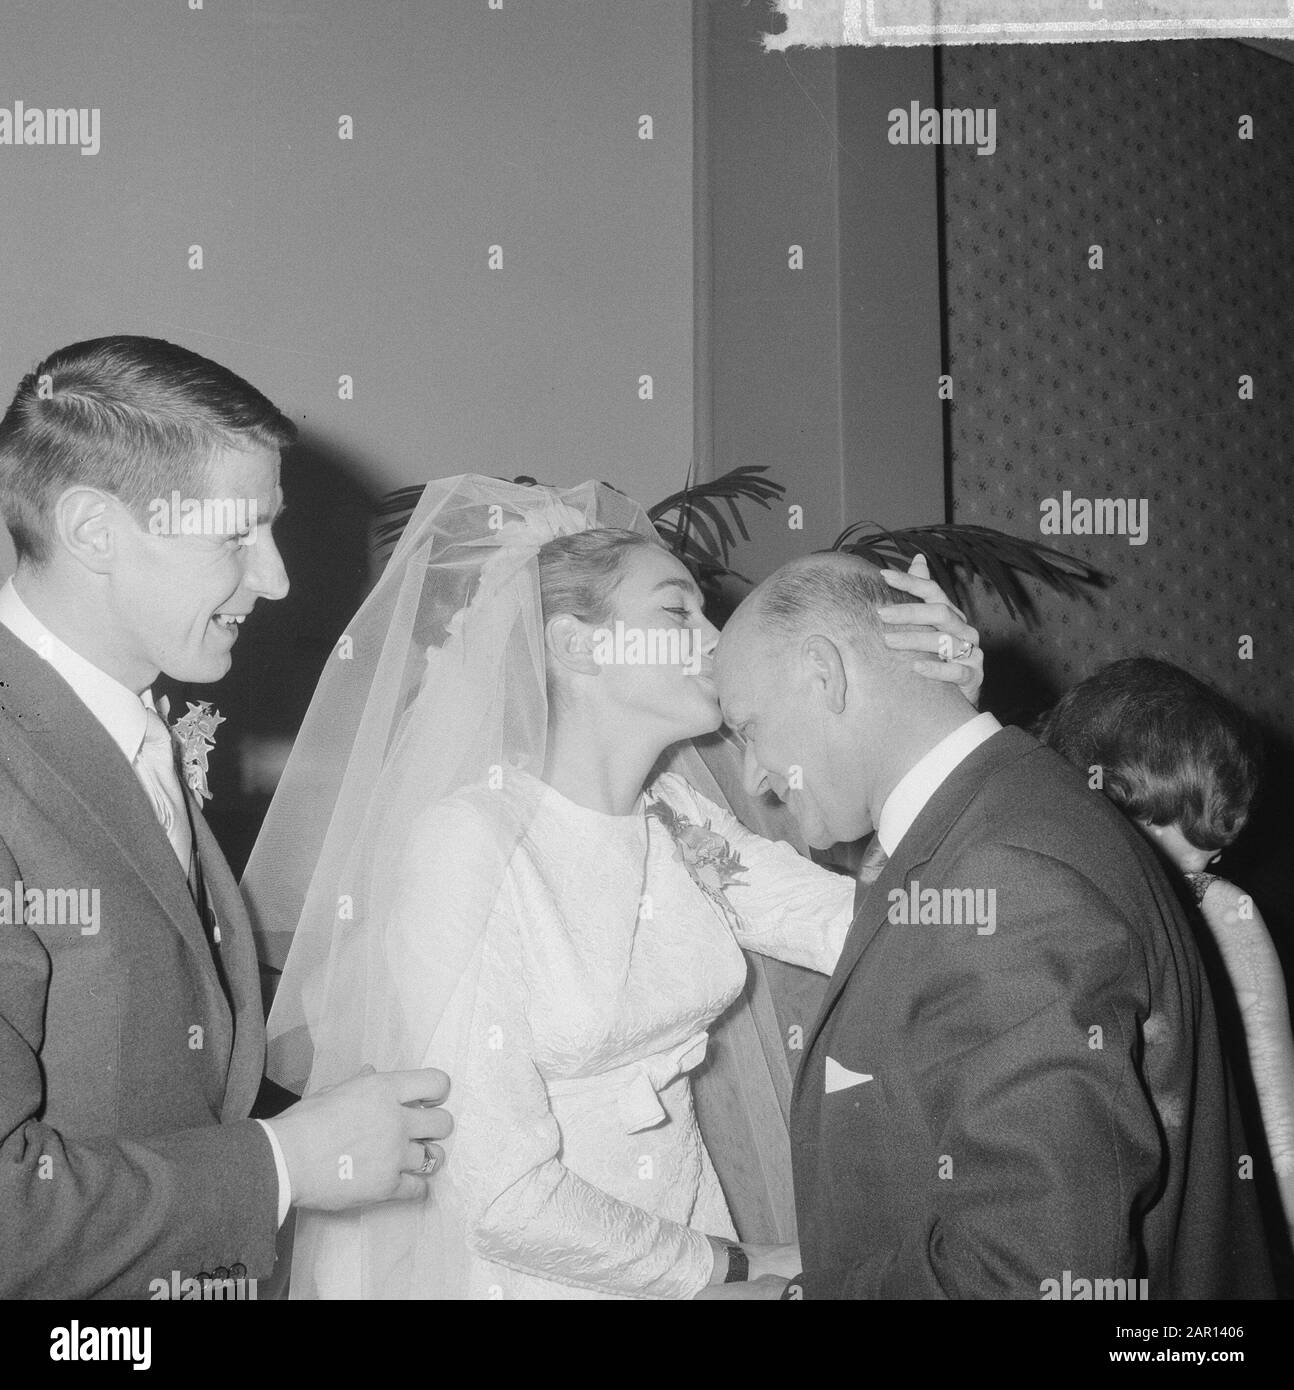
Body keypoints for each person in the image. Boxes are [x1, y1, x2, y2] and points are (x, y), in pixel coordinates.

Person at [246, 478, 982, 1299]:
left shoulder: (676, 813)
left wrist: (937, 717)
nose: (715, 637)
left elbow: (859, 926)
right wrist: (728, 1267)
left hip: (693, 1227)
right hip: (543, 1271)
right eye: (679, 613)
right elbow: (497, 1191)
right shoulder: (468, 844)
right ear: (577, 644)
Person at [0, 336, 451, 1299]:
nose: (278, 578)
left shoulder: (129, 726)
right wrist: (285, 1162)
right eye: (234, 534)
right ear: (93, 530)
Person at [711, 550, 1276, 1299]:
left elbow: (1031, 1278)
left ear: (825, 674)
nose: (752, 775)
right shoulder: (1003, 816)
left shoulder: (1009, 876)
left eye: (749, 729)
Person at [1035, 656, 1294, 1253]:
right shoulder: (1028, 879)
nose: (1174, 895)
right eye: (1151, 861)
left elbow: (1278, 1142)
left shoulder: (1223, 917)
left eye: (1200, 868)